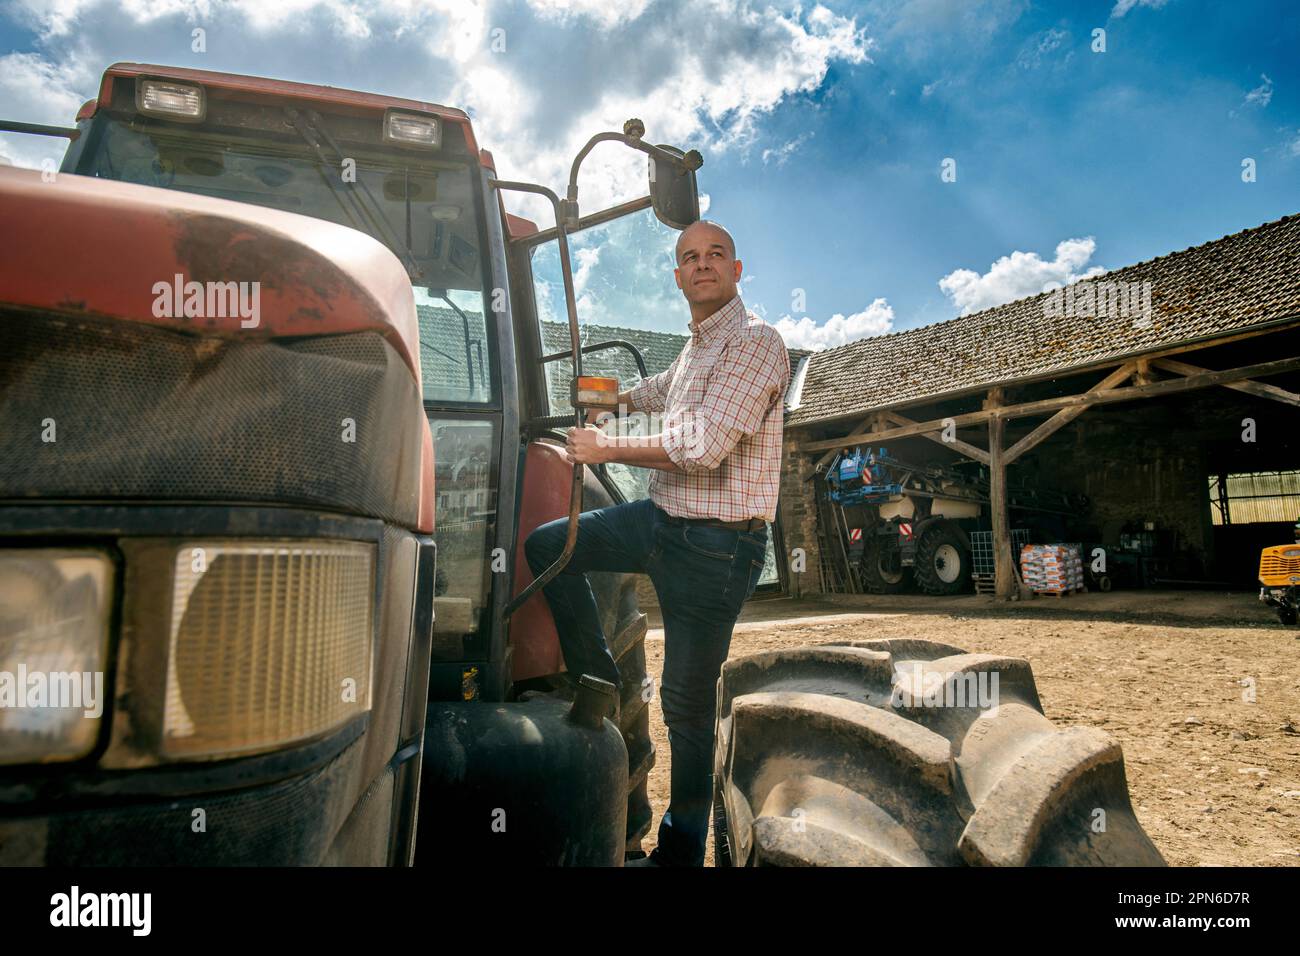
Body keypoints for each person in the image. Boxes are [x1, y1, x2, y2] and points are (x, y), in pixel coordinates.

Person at [524, 219, 790, 867]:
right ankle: (598, 679)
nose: (701, 265)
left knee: (685, 709)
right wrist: (597, 398)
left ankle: (678, 852)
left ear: (736, 270)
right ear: (676, 275)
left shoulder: (756, 344)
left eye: (715, 255)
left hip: (718, 550)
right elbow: (650, 393)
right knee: (549, 547)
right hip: (662, 525)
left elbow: (701, 447)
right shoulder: (696, 349)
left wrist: (605, 444)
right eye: (688, 257)